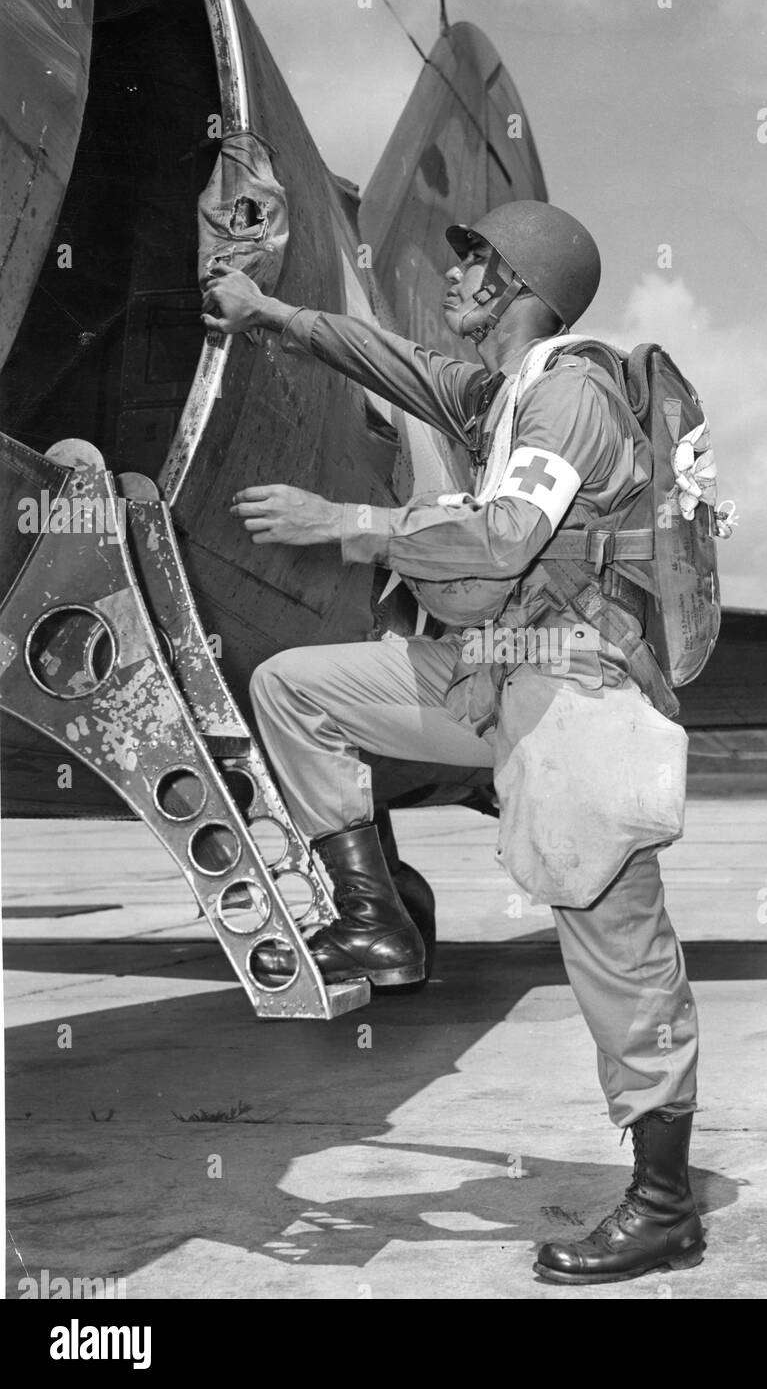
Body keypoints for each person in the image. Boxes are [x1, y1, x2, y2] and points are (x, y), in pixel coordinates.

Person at [201, 200, 704, 1285]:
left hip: (580, 688)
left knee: (614, 944)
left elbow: (501, 541)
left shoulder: (568, 394)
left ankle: (664, 1203)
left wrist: (349, 523)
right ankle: (376, 920)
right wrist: (265, 311)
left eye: (475, 261)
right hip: (495, 672)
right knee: (296, 688)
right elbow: (384, 357)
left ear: (520, 287)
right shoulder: (497, 394)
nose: (454, 272)